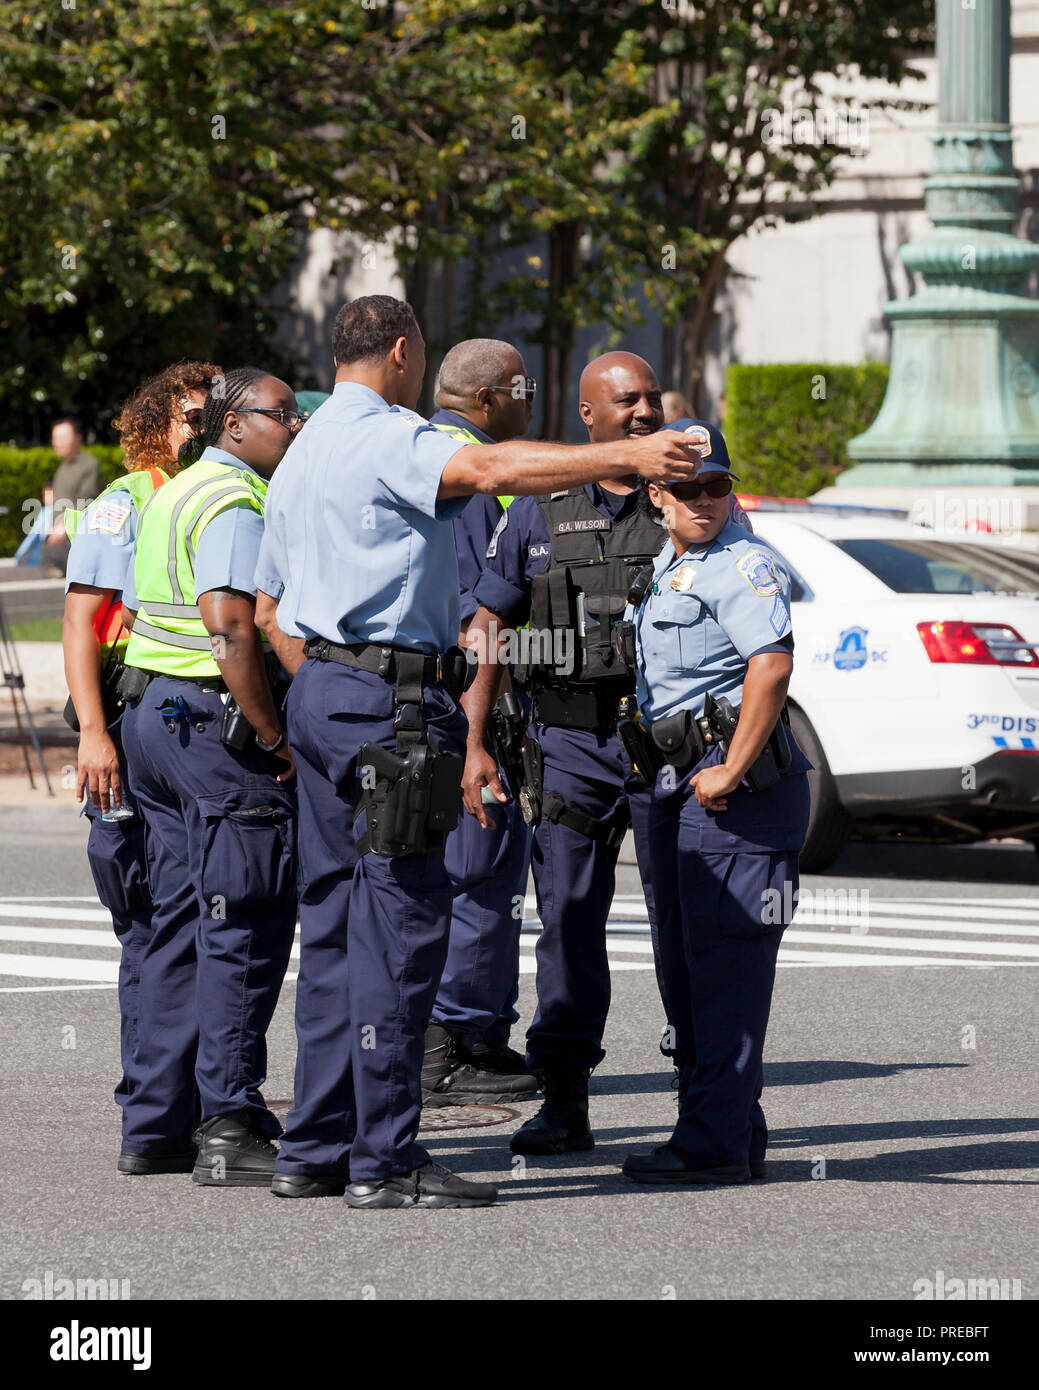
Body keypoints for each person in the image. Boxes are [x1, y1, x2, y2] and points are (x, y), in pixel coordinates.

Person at [254, 295, 703, 1209]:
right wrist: (625, 457)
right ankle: (383, 1161)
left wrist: (329, 686)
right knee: (404, 930)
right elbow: (490, 464)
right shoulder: (388, 435)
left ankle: (315, 1147)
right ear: (401, 350)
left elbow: (269, 604)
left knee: (334, 929)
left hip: (325, 690)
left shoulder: (301, 452)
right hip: (391, 701)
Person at [462, 351, 678, 1157]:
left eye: (651, 399)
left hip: (664, 744)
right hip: (567, 744)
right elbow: (485, 626)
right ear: (588, 414)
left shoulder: (690, 496)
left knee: (682, 923)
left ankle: (707, 1099)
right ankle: (564, 1101)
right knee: (567, 924)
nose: (644, 413)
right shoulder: (538, 506)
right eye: (626, 402)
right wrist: (475, 741)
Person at [118, 368, 301, 1186]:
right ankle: (228, 1122)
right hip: (211, 730)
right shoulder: (233, 503)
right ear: (234, 426)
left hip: (155, 718)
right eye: (280, 414)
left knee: (181, 920)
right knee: (247, 922)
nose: (293, 427)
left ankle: (158, 1124)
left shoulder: (173, 491)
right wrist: (272, 735)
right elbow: (231, 632)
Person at [620, 446, 811, 1185]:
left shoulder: (742, 563)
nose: (703, 499)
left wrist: (728, 764)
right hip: (677, 780)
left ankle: (714, 1143)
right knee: (688, 963)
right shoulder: (673, 564)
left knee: (725, 968)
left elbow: (770, 661)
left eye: (716, 486)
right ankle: (727, 1128)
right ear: (656, 497)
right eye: (685, 488)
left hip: (734, 788)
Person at [62, 360, 220, 1168]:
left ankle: (171, 1100)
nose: (206, 428)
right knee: (149, 913)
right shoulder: (125, 502)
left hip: (188, 722)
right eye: (194, 416)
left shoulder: (222, 490)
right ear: (156, 422)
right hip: (128, 726)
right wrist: (93, 731)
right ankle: (152, 1104)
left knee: (186, 914)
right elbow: (81, 622)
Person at [420, 338, 538, 1106]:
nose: (533, 397)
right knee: (475, 870)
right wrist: (476, 736)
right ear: (492, 395)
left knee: (482, 871)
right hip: (467, 704)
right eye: (522, 387)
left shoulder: (433, 450)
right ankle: (447, 1046)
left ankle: (474, 1034)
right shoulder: (468, 472)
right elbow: (476, 617)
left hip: (455, 703)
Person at [44, 419, 103, 574]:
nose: (58, 443)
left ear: (78, 438)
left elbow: (86, 500)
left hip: (75, 537)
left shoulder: (90, 465)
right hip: (57, 535)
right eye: (55, 438)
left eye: (63, 437)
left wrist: (62, 527)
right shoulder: (62, 467)